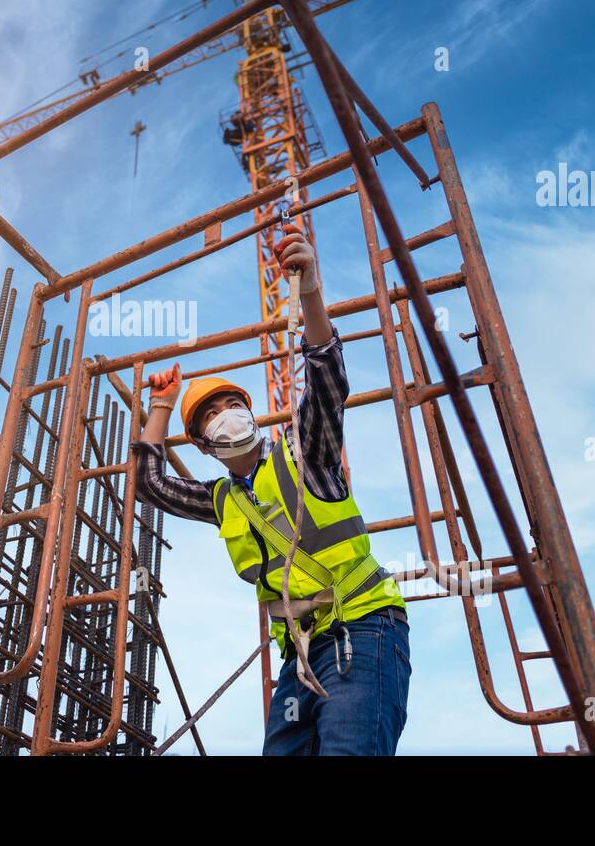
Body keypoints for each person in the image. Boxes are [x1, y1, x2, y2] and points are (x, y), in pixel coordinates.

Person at [129, 223, 411, 755]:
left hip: (364, 628)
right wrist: (161, 408)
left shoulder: (304, 455)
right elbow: (150, 484)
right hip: (300, 654)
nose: (225, 417)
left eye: (232, 406)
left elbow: (326, 379)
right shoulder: (223, 499)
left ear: (252, 415)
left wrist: (308, 291)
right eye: (210, 416)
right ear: (204, 445)